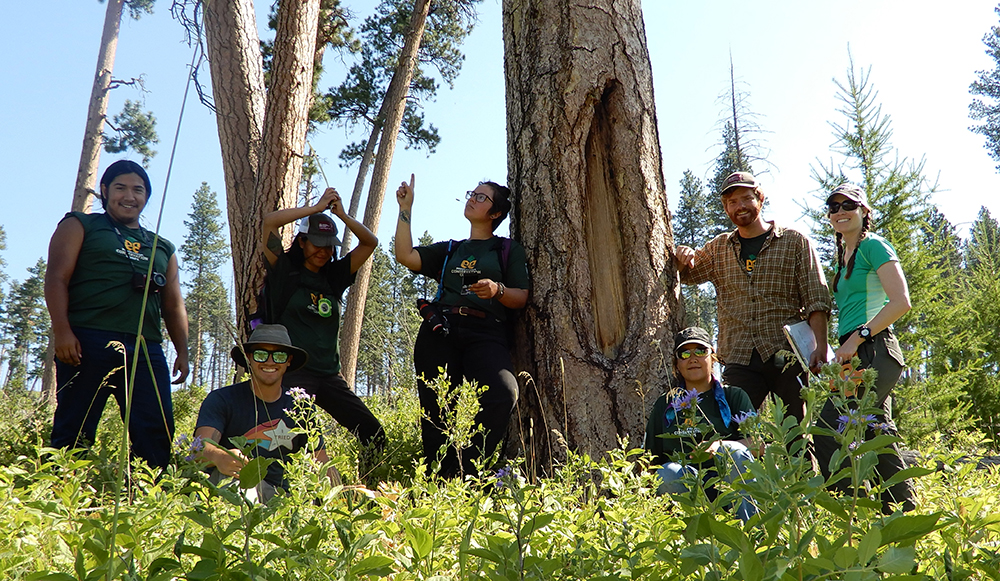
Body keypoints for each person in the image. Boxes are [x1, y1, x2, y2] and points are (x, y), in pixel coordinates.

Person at [45, 159, 189, 468]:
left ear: (146, 197)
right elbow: (56, 277)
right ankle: (62, 491)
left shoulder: (162, 247)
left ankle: (148, 498)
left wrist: (183, 351)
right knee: (75, 427)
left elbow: (174, 304)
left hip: (145, 347)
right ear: (105, 191)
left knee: (155, 429)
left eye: (138, 190)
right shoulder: (81, 225)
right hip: (87, 340)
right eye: (120, 188)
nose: (129, 196)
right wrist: (62, 332)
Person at [393, 174, 530, 478]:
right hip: (440, 331)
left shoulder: (507, 250)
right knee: (436, 412)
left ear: (495, 214)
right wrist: (406, 209)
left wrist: (498, 290)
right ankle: (437, 484)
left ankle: (467, 472)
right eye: (473, 193)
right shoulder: (450, 249)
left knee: (504, 393)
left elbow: (521, 296)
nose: (472, 198)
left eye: (482, 197)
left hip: (486, 332)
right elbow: (405, 255)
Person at [674, 171, 832, 422]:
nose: (740, 207)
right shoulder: (719, 248)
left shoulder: (794, 242)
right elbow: (687, 274)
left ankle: (801, 463)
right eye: (732, 202)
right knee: (735, 429)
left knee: (796, 433)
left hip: (786, 355)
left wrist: (820, 348)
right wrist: (682, 256)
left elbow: (816, 300)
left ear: (760, 198)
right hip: (739, 358)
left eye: (746, 198)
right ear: (726, 207)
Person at [259, 186, 386, 477]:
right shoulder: (283, 272)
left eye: (329, 245)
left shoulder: (334, 277)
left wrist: (341, 214)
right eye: (316, 242)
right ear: (302, 242)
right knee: (310, 441)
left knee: (373, 432)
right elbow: (269, 222)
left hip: (329, 375)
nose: (323, 251)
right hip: (293, 373)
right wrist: (315, 209)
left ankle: (372, 489)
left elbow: (370, 242)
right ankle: (308, 503)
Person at [812, 183, 915, 513]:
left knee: (829, 427)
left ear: (864, 211)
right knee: (877, 432)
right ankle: (900, 515)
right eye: (833, 206)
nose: (840, 211)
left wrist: (859, 337)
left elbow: (901, 302)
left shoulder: (874, 246)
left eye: (848, 205)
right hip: (852, 353)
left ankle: (849, 511)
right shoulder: (844, 257)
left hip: (874, 349)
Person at [194, 324, 340, 502]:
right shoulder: (222, 400)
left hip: (284, 499)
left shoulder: (302, 408)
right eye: (261, 354)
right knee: (236, 483)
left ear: (288, 361)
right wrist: (219, 456)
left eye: (279, 356)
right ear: (249, 358)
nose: (270, 362)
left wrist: (343, 492)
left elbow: (320, 459)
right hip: (232, 493)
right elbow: (198, 450)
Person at [644, 327, 758, 522]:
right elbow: (649, 459)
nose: (693, 358)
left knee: (734, 451)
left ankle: (752, 534)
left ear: (712, 357)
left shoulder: (734, 396)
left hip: (727, 480)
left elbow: (757, 444)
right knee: (667, 473)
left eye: (700, 351)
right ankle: (692, 538)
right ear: (676, 364)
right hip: (688, 484)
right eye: (685, 353)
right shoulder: (666, 404)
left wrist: (719, 447)